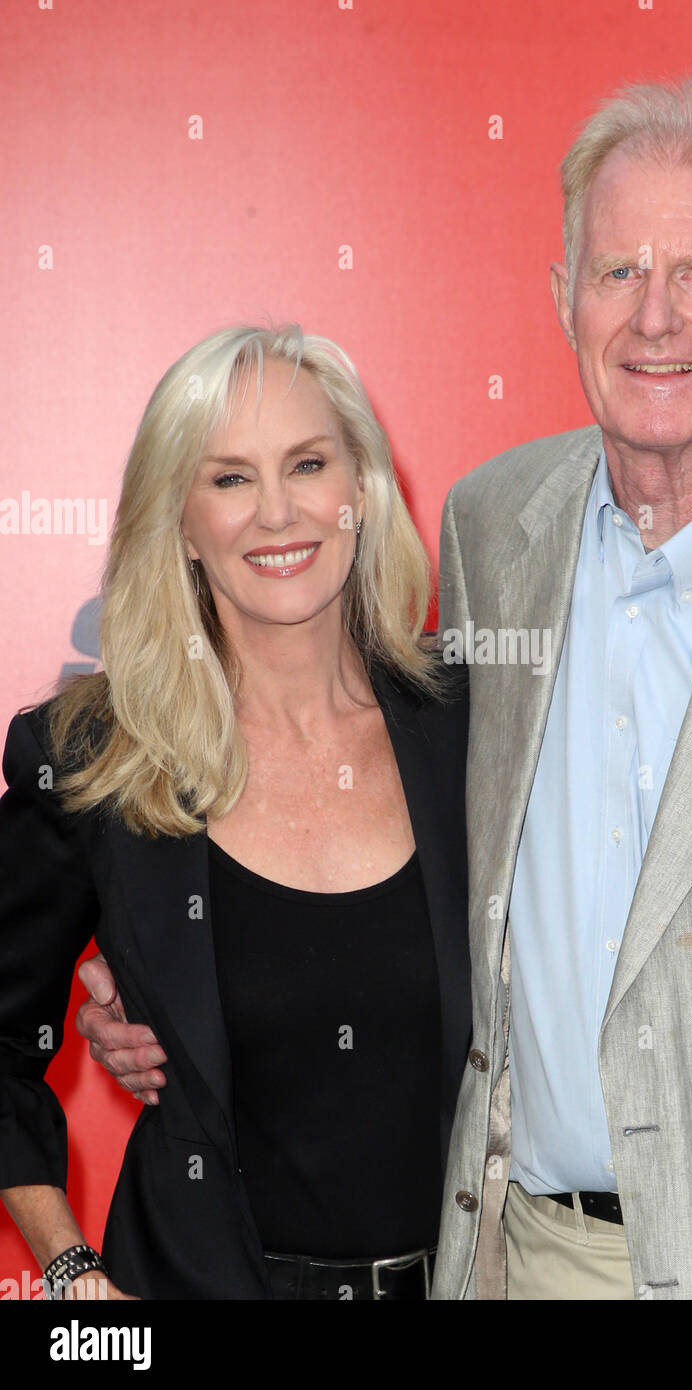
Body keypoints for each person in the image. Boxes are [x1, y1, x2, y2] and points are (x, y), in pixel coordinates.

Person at [80, 79, 692, 1302]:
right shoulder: (494, 530)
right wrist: (164, 982)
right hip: (516, 1260)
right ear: (563, 297)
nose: (653, 317)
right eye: (617, 271)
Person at [0, 324, 470, 1300]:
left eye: (307, 463)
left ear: (361, 490)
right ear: (177, 518)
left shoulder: (470, 727)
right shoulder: (95, 755)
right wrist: (71, 1270)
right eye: (228, 479)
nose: (277, 512)